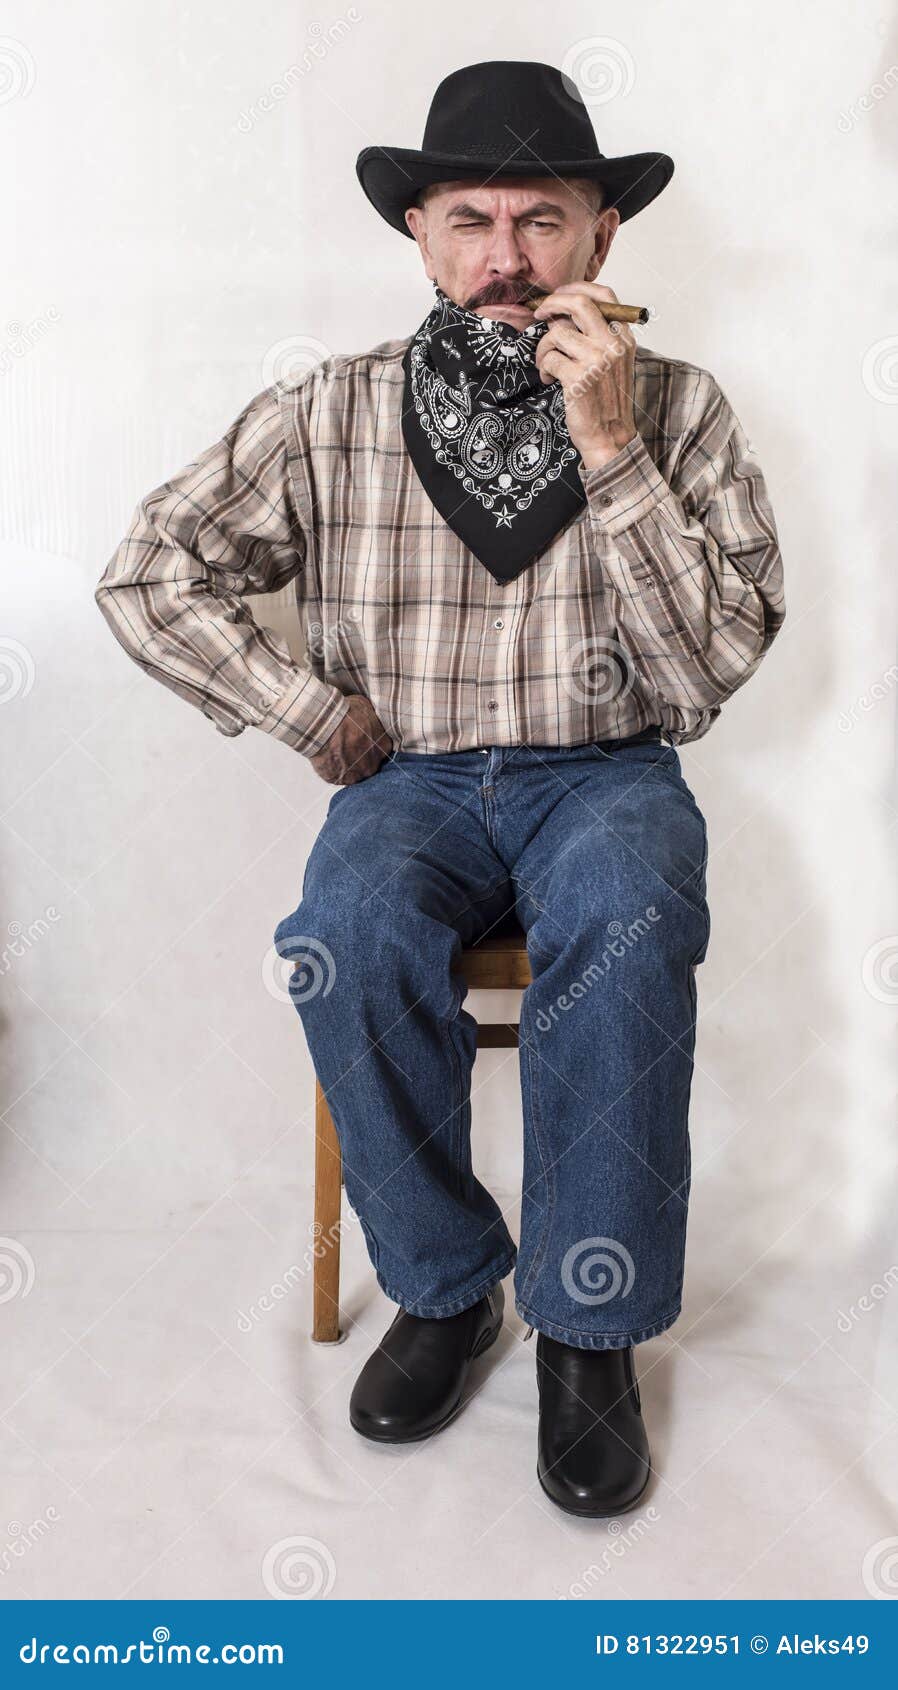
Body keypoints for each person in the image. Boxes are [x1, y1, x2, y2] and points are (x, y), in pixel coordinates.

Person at [95, 60, 785, 1517]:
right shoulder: (327, 412)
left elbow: (703, 673)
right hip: (405, 779)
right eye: (468, 216)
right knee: (342, 933)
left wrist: (607, 448)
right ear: (417, 233)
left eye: (542, 219)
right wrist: (304, 709)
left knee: (631, 910)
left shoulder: (684, 411)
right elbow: (148, 574)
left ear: (602, 236)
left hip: (603, 769)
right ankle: (448, 1284)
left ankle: (587, 1326)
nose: (503, 255)